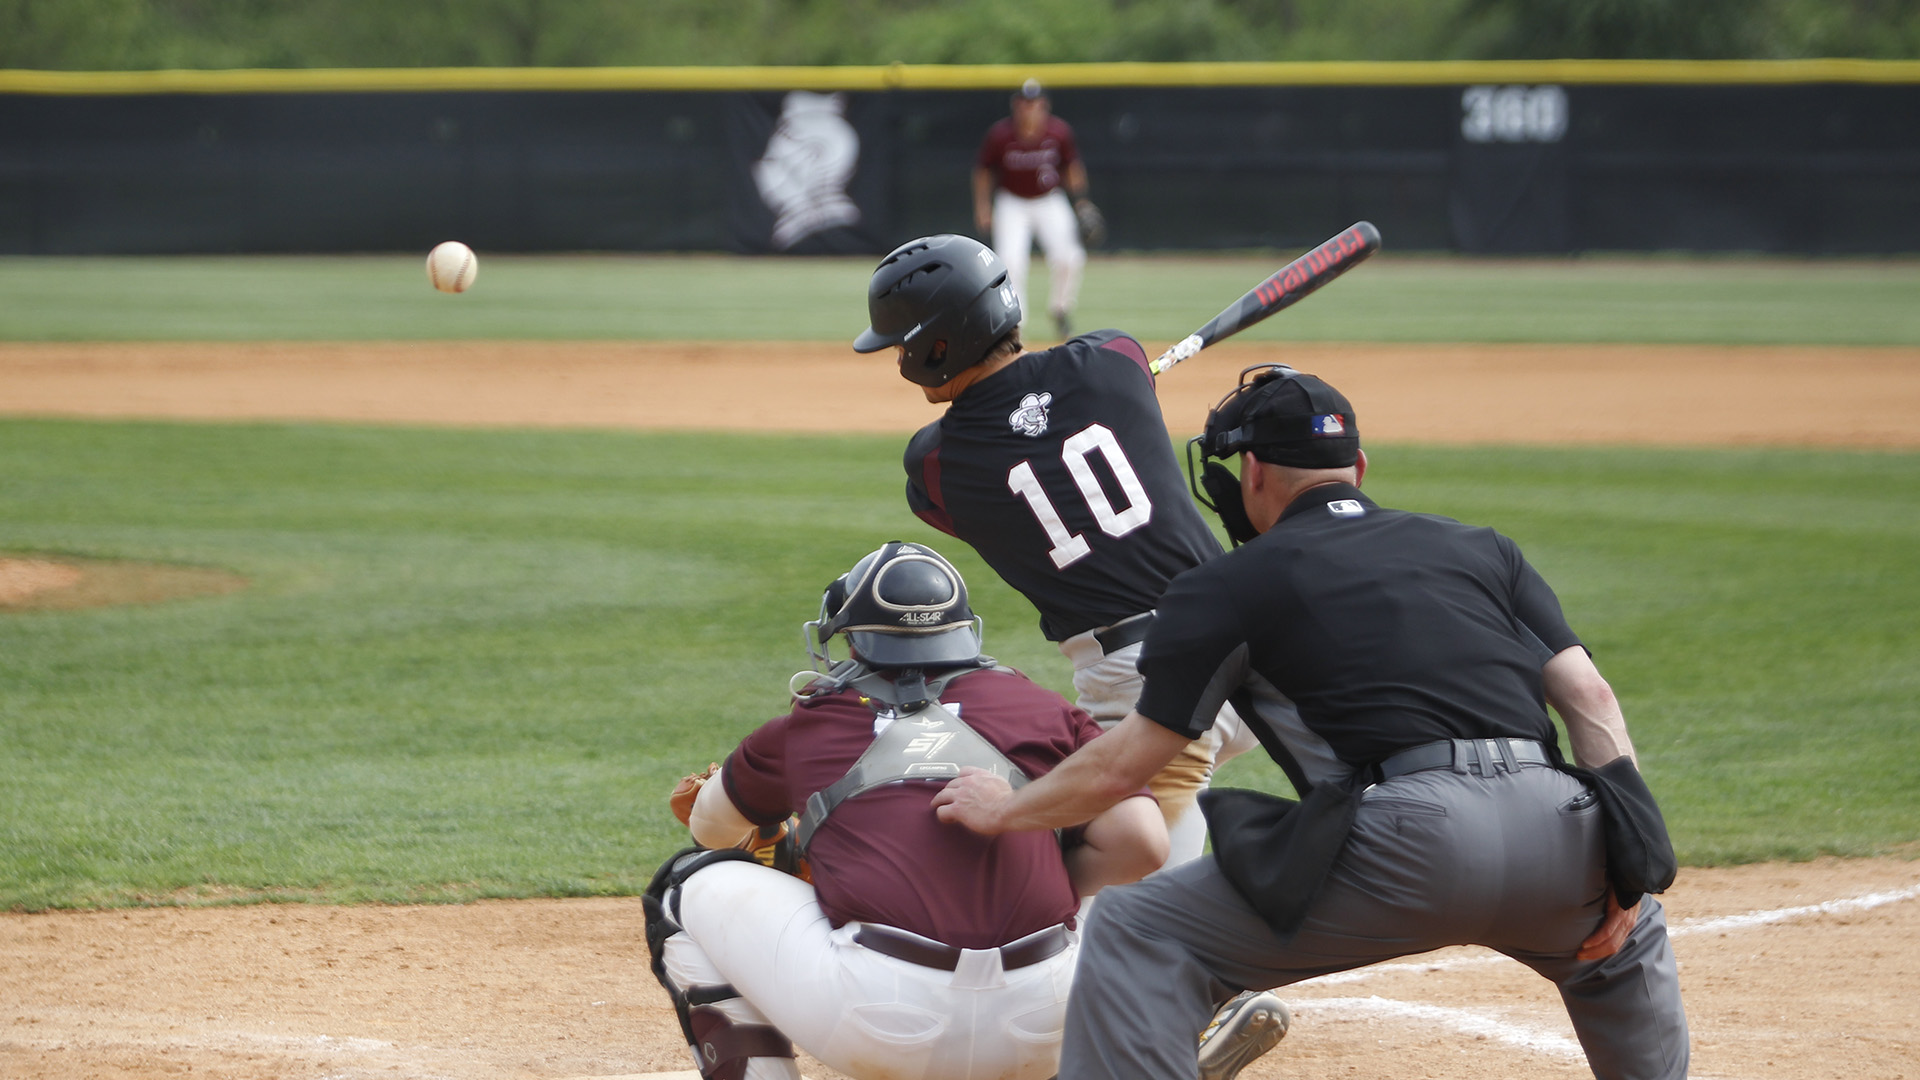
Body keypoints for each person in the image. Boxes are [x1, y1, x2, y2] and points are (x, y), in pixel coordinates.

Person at [931, 366, 1691, 1080]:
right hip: (1561, 834)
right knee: (1625, 945)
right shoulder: (1482, 549)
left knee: (1139, 930)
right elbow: (1590, 702)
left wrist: (1007, 812)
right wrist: (1633, 865)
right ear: (1358, 466)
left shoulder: (1225, 582)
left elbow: (1127, 765)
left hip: (1408, 847)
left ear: (1251, 474)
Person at [644, 540, 1167, 1080]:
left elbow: (710, 829)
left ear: (852, 639)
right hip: (1049, 1021)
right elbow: (1143, 845)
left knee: (682, 886)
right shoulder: (1042, 708)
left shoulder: (808, 723)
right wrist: (1050, 870)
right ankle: (1151, 1042)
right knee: (1112, 898)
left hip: (881, 1021)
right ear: (964, 630)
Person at [851, 232, 1262, 870]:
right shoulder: (1114, 357)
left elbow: (995, 508)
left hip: (1145, 691)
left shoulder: (933, 464)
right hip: (1257, 652)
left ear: (939, 347)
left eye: (904, 343)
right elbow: (1103, 382)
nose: (899, 356)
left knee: (1136, 924)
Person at [974, 78, 1092, 339]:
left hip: (1050, 199)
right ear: (1016, 105)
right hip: (1011, 202)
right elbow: (983, 172)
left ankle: (1061, 309)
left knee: (1070, 258)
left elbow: (1072, 167)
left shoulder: (1059, 132)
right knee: (1011, 263)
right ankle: (1016, 324)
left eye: (1035, 103)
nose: (1030, 108)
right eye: (1025, 103)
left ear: (1044, 105)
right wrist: (983, 207)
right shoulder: (1000, 135)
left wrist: (1082, 200)